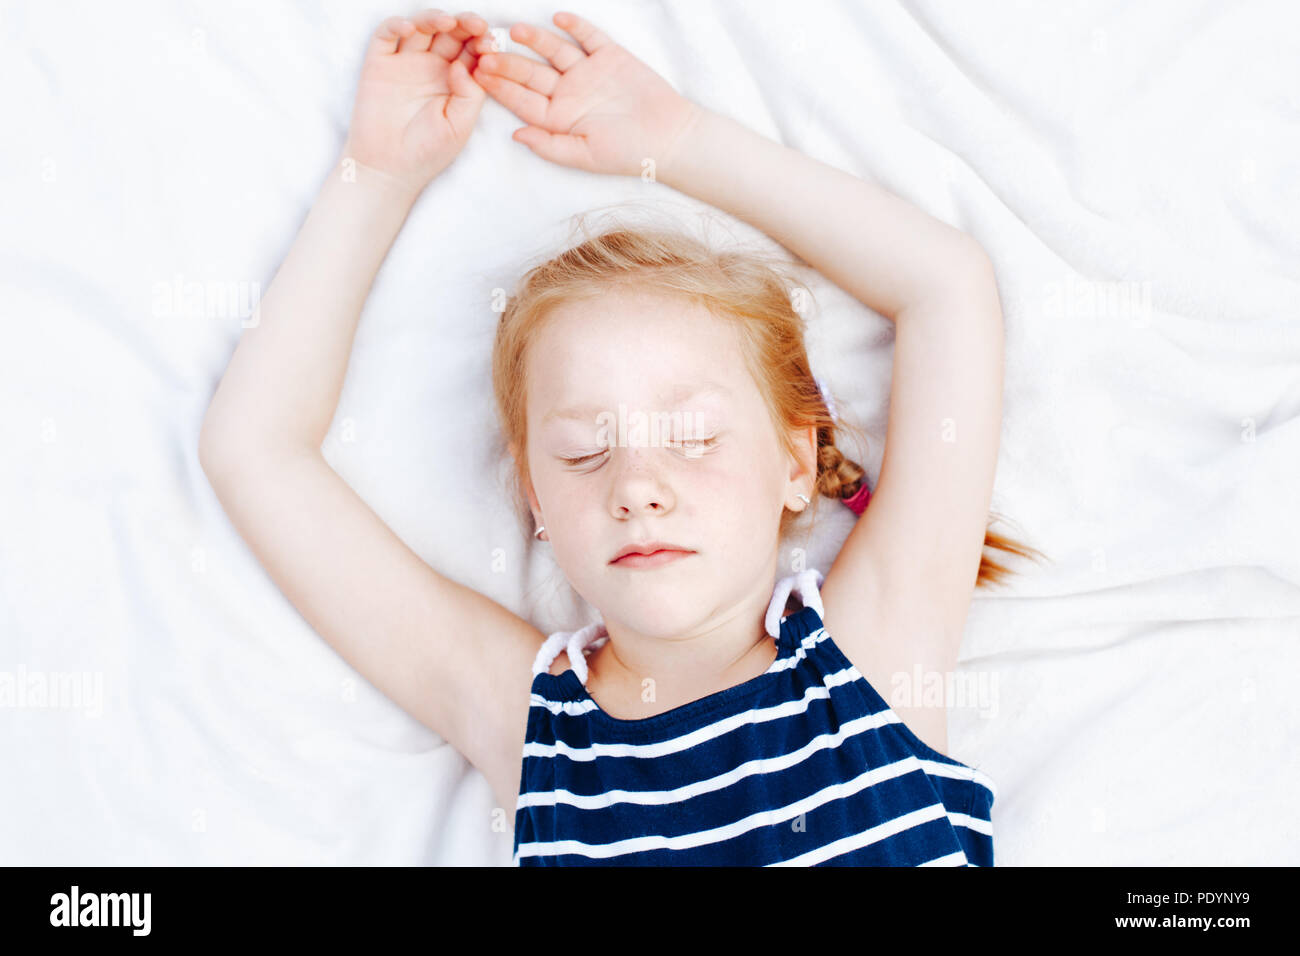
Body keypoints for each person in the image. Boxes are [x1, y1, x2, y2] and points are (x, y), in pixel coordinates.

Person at [199, 9, 1042, 866]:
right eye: (583, 453)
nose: (637, 486)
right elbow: (253, 454)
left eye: (693, 437)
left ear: (794, 462)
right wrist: (375, 175)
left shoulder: (868, 660)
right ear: (537, 500)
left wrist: (677, 141)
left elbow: (947, 286)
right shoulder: (540, 736)